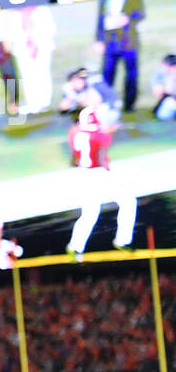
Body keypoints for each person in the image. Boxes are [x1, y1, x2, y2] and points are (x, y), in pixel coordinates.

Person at [66, 101, 136, 256]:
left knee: (90, 214)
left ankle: (74, 247)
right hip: (99, 174)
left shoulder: (75, 134)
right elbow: (101, 156)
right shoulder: (100, 136)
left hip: (82, 174)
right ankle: (122, 240)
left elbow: (75, 158)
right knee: (128, 202)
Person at [151, 53, 176, 121]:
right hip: (171, 99)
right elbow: (156, 78)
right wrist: (156, 86)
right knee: (163, 115)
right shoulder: (164, 70)